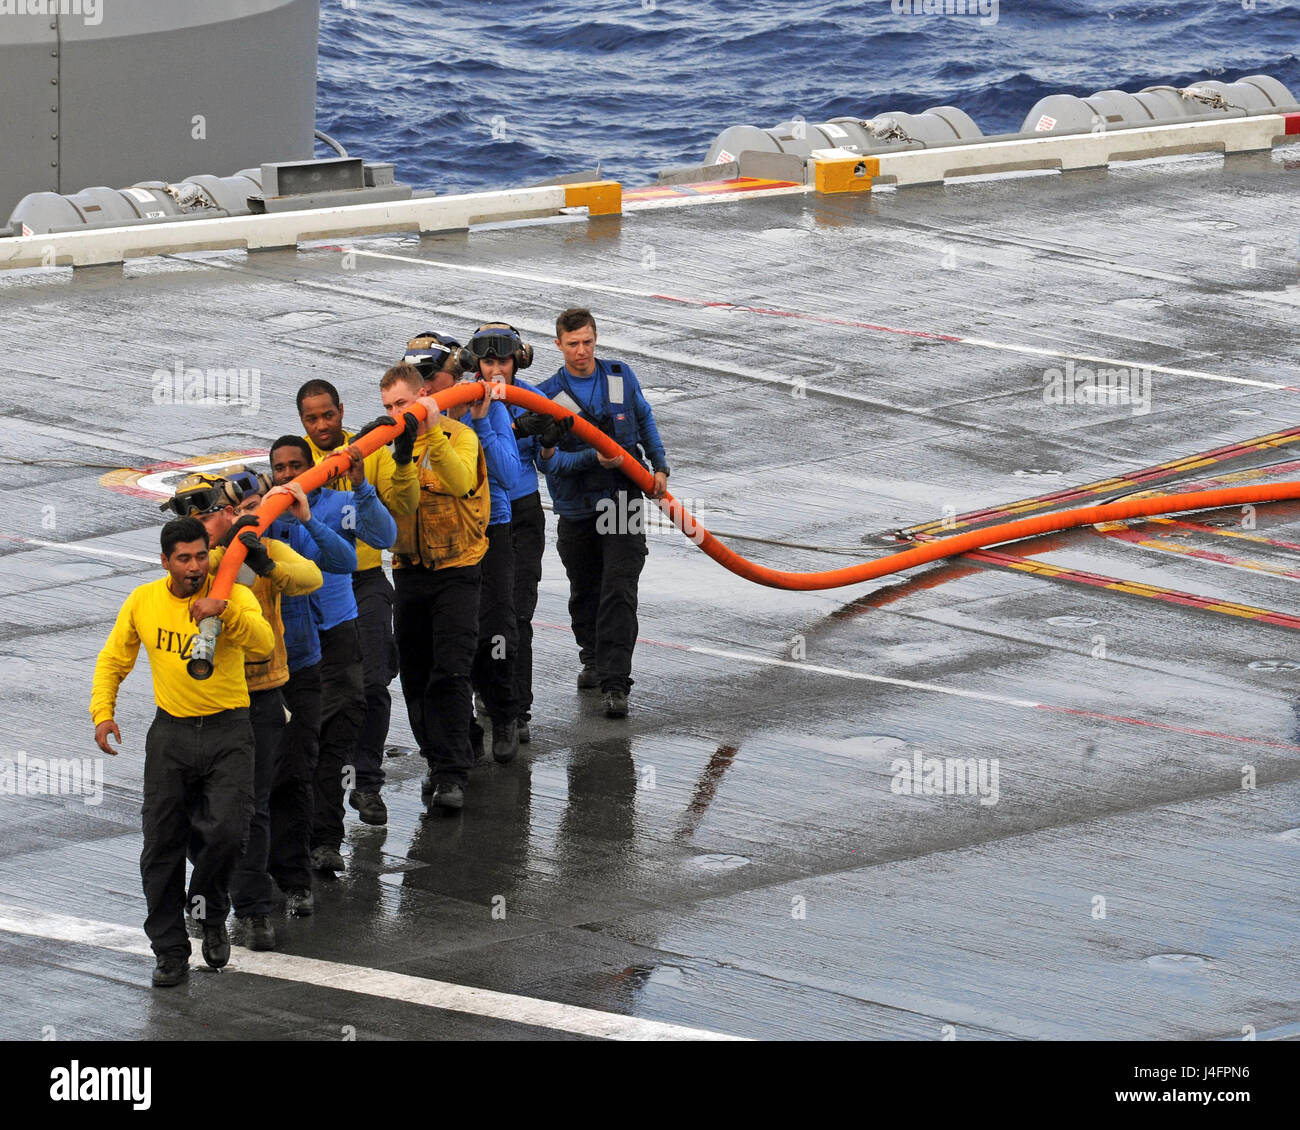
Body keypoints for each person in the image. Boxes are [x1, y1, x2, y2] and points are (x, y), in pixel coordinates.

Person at [90, 517, 273, 987]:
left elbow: (264, 644)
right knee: (161, 846)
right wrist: (102, 712)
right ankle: (169, 950)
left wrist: (225, 611)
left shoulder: (232, 592)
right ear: (166, 561)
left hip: (229, 729)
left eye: (200, 556)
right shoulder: (144, 600)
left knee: (229, 831)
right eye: (184, 559)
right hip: (170, 733)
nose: (195, 567)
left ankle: (210, 914)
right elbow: (115, 658)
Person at [162, 472, 322, 952]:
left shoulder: (259, 546)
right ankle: (212, 895)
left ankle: (252, 912)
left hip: (259, 697)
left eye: (206, 512)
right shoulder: (190, 564)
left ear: (225, 512)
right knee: (197, 811)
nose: (202, 522)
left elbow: (310, 577)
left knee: (250, 810)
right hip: (200, 702)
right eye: (192, 517)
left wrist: (260, 559)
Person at [266, 435, 396, 873]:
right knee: (293, 750)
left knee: (333, 747)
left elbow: (383, 535)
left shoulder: (339, 503)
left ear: (313, 466)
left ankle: (325, 842)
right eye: (280, 468)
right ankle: (282, 847)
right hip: (290, 646)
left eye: (295, 465)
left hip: (339, 637)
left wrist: (362, 488)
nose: (288, 475)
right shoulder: (263, 516)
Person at [535, 308, 670, 718]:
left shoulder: (619, 376)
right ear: (558, 345)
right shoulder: (545, 396)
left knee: (619, 589)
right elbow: (547, 462)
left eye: (588, 342)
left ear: (596, 340)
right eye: (573, 344)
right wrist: (593, 459)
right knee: (586, 589)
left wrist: (659, 466)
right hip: (577, 508)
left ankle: (616, 683)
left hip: (623, 500)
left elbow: (644, 420)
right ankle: (591, 657)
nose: (582, 351)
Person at [298, 379, 419, 827]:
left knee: (372, 684)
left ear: (342, 411)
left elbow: (399, 509)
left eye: (328, 415)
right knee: (320, 695)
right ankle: (319, 787)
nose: (322, 424)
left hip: (365, 579)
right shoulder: (293, 463)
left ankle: (367, 783)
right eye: (312, 418)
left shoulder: (370, 450)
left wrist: (398, 459)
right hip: (312, 589)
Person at [451, 324, 570, 746]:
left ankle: (517, 707)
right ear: (475, 365)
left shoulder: (532, 398)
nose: (496, 370)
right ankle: (493, 696)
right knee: (477, 617)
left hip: (520, 515)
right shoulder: (464, 401)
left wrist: (550, 445)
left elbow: (548, 466)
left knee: (517, 614)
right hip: (476, 518)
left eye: (503, 361)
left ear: (518, 360)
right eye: (488, 362)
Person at [407, 329, 523, 763]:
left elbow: (510, 476)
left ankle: (504, 711)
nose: (421, 385)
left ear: (452, 376)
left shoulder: (485, 408)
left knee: (495, 631)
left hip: (489, 531)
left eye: (428, 376)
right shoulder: (409, 411)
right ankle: (462, 733)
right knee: (448, 643)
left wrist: (478, 421)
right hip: (435, 542)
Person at [243, 470, 355, 916]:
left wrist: (306, 518)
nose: (255, 516)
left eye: (259, 506)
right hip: (243, 685)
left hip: (300, 672)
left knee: (293, 774)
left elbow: (342, 561)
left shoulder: (287, 540)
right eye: (245, 510)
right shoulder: (216, 557)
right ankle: (241, 880)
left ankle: (293, 879)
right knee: (247, 785)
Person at [378, 363, 489, 811]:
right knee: (416, 675)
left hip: (458, 570)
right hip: (408, 570)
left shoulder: (461, 438)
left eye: (401, 403)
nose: (395, 412)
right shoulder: (386, 447)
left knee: (450, 672)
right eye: (387, 406)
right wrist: (401, 455)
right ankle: (442, 753)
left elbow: (462, 481)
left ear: (423, 396)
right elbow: (389, 498)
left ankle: (450, 774)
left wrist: (431, 434)